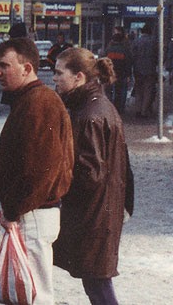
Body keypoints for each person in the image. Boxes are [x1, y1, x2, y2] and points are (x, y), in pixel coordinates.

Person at [0, 37, 74, 305]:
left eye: (4, 66)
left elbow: (39, 169)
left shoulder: (39, 103)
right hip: (32, 211)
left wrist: (13, 210)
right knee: (27, 292)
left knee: (33, 295)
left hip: (33, 213)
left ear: (27, 68)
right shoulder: (31, 100)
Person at [51, 47, 135, 305]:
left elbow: (89, 173)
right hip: (101, 210)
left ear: (78, 77)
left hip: (94, 213)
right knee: (95, 280)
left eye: (59, 73)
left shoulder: (89, 114)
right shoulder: (96, 107)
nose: (54, 78)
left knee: (97, 282)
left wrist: (56, 186)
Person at [130, 23, 158, 117]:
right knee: (148, 90)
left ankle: (138, 109)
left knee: (138, 89)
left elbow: (132, 55)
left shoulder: (136, 41)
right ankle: (144, 111)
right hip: (150, 69)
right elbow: (157, 55)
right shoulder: (154, 41)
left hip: (138, 69)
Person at [103, 28, 132, 113]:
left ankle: (109, 108)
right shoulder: (125, 50)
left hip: (110, 73)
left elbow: (104, 61)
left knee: (109, 92)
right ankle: (119, 109)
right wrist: (128, 74)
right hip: (121, 74)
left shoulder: (108, 50)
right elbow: (128, 63)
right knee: (120, 92)